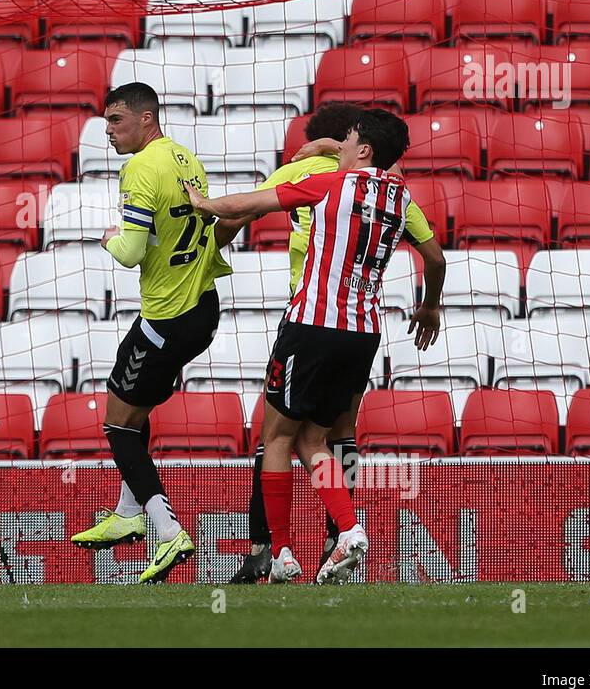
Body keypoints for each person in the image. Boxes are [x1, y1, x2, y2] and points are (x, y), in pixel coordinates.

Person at [185, 109, 445, 584]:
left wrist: (203, 202)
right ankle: (345, 530)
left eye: (344, 142)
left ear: (362, 150)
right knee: (314, 439)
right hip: (363, 332)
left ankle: (280, 549)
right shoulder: (401, 197)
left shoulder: (328, 186)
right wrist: (429, 308)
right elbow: (434, 258)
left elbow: (253, 203)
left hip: (312, 325)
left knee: (277, 436)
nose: (337, 149)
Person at [69, 82, 233, 583]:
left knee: (117, 423)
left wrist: (107, 240)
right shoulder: (185, 158)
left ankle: (166, 530)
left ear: (146, 118)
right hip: (203, 308)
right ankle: (126, 513)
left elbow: (134, 252)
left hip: (165, 317)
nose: (109, 131)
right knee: (135, 410)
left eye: (116, 121)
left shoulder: (139, 168)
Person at [207, 102, 367, 583]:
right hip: (359, 322)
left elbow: (234, 220)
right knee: (341, 437)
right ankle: (336, 539)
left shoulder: (298, 171)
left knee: (276, 433)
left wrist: (210, 245)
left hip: (306, 318)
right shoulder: (375, 180)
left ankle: (268, 548)